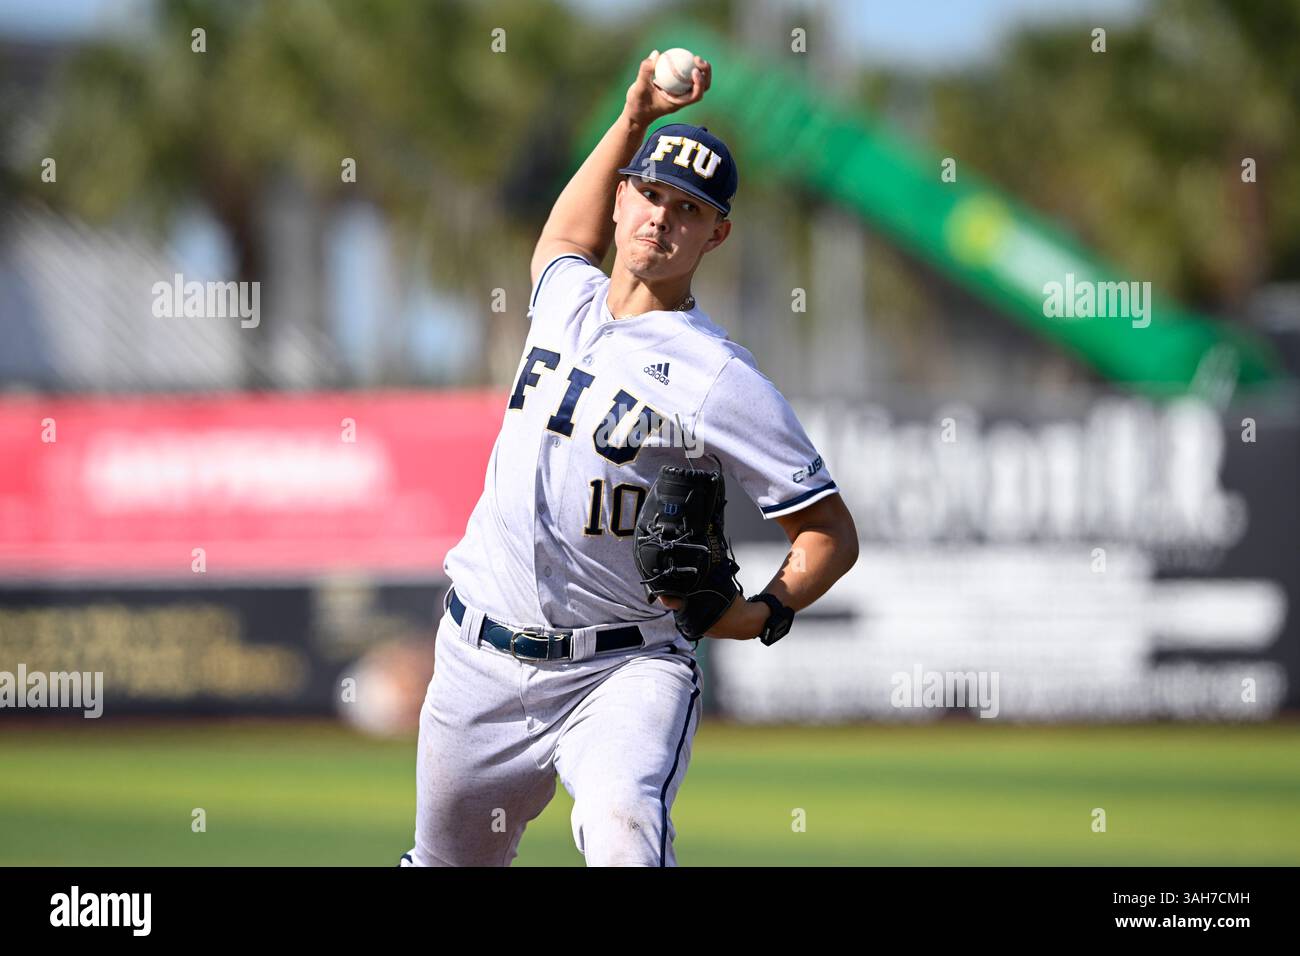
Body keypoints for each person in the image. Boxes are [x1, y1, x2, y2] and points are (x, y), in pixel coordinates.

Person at [400, 50, 858, 867]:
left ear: (716, 233)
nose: (661, 218)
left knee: (622, 838)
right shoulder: (563, 298)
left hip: (624, 669)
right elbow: (558, 235)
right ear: (620, 200)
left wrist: (763, 613)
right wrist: (632, 119)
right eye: (649, 195)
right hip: (478, 655)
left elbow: (828, 529)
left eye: (688, 209)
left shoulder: (720, 378)